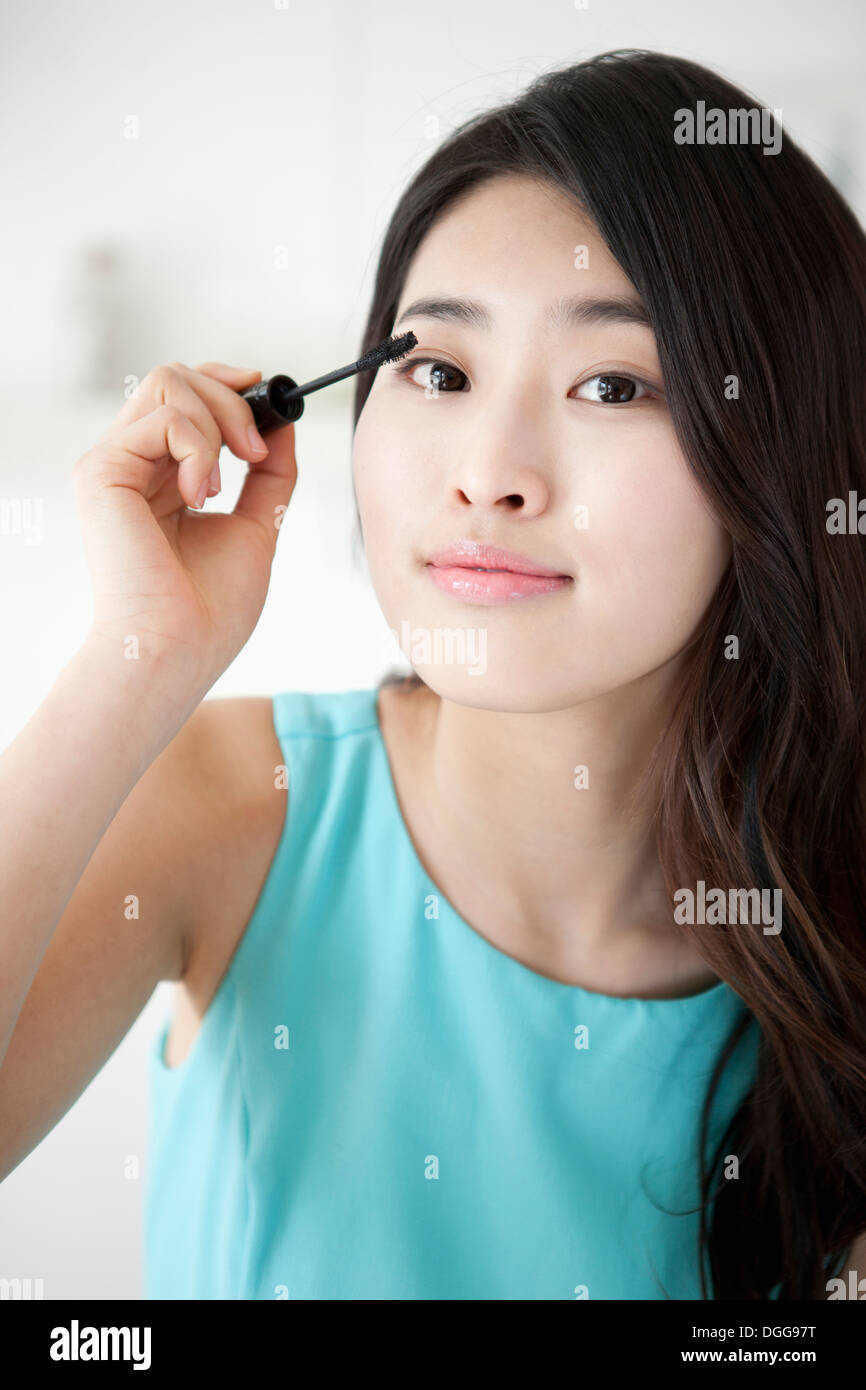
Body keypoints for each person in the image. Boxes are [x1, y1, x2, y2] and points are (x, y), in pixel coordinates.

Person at [2, 49, 865, 1301]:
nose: (488, 472)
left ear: (781, 446)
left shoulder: (829, 930)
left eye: (610, 384)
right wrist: (137, 660)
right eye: (440, 372)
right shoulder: (244, 803)